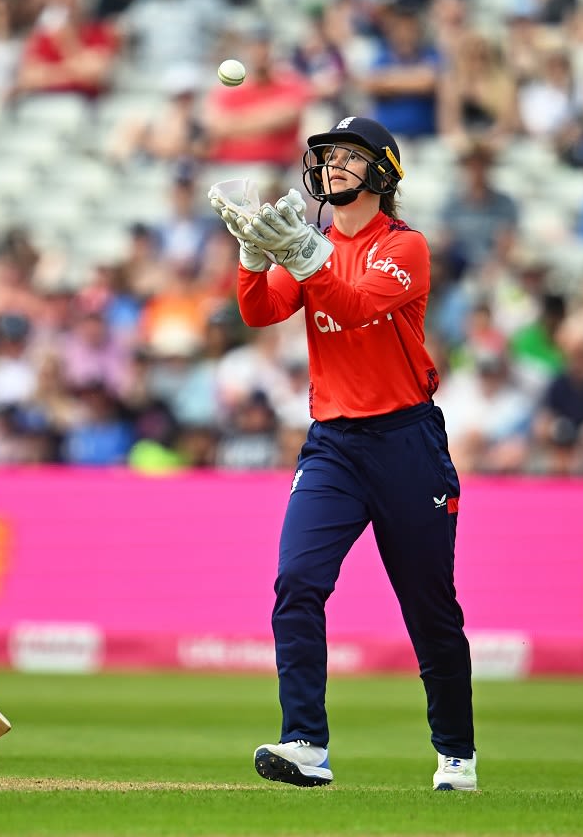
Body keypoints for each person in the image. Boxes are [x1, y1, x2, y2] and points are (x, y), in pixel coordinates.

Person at [208, 116, 476, 791]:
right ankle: (305, 741)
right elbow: (262, 313)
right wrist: (251, 255)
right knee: (297, 581)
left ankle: (456, 753)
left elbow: (353, 305)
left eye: (349, 158)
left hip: (407, 441)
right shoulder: (316, 243)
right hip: (334, 443)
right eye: (326, 158)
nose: (331, 168)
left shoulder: (405, 247)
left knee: (430, 609)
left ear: (382, 172)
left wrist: (301, 253)